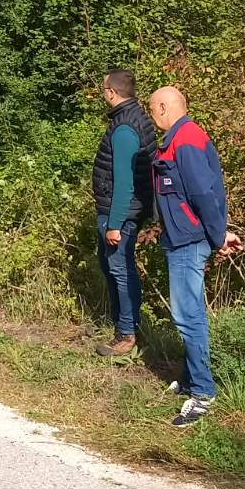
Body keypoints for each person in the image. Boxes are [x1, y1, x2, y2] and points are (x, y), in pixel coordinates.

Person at [146, 86, 242, 427]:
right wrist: (220, 233)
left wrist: (217, 236)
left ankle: (202, 393)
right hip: (180, 237)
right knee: (187, 311)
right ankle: (189, 379)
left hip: (189, 239)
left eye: (152, 108)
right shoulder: (177, 138)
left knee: (188, 315)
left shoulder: (185, 138)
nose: (151, 114)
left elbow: (204, 193)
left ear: (162, 106)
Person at [92, 69, 157, 359]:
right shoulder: (136, 116)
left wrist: (115, 223)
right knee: (115, 267)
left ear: (111, 93)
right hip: (126, 209)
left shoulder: (124, 129)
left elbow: (124, 182)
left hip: (120, 212)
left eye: (103, 87)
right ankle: (123, 325)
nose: (102, 92)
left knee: (120, 270)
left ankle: (126, 334)